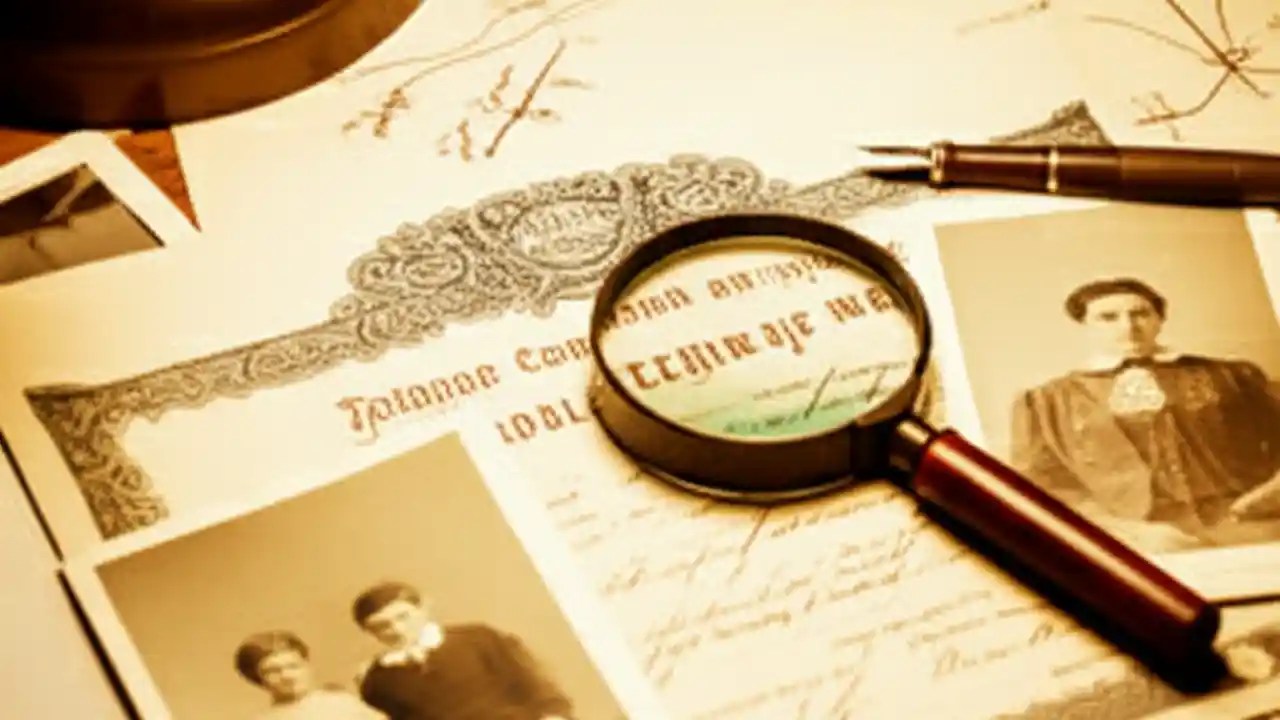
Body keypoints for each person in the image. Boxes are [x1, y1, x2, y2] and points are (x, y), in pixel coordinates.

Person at [1009, 277, 1280, 552]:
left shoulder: (1233, 376)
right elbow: (1041, 485)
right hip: (1138, 540)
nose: (1128, 327)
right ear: (1085, 327)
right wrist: (1124, 531)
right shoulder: (1045, 402)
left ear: (1159, 320)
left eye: (1140, 313)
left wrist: (1267, 498)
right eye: (1108, 318)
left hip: (1253, 524)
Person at [351, 580, 575, 720]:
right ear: (369, 632)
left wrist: (553, 715)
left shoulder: (478, 638)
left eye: (403, 617)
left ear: (423, 608)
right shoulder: (378, 681)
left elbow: (534, 683)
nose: (397, 630)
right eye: (381, 626)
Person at [234, 630, 384, 719]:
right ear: (257, 678)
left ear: (306, 666)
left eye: (293, 666)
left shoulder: (346, 704)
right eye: (273, 671)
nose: (287, 676)